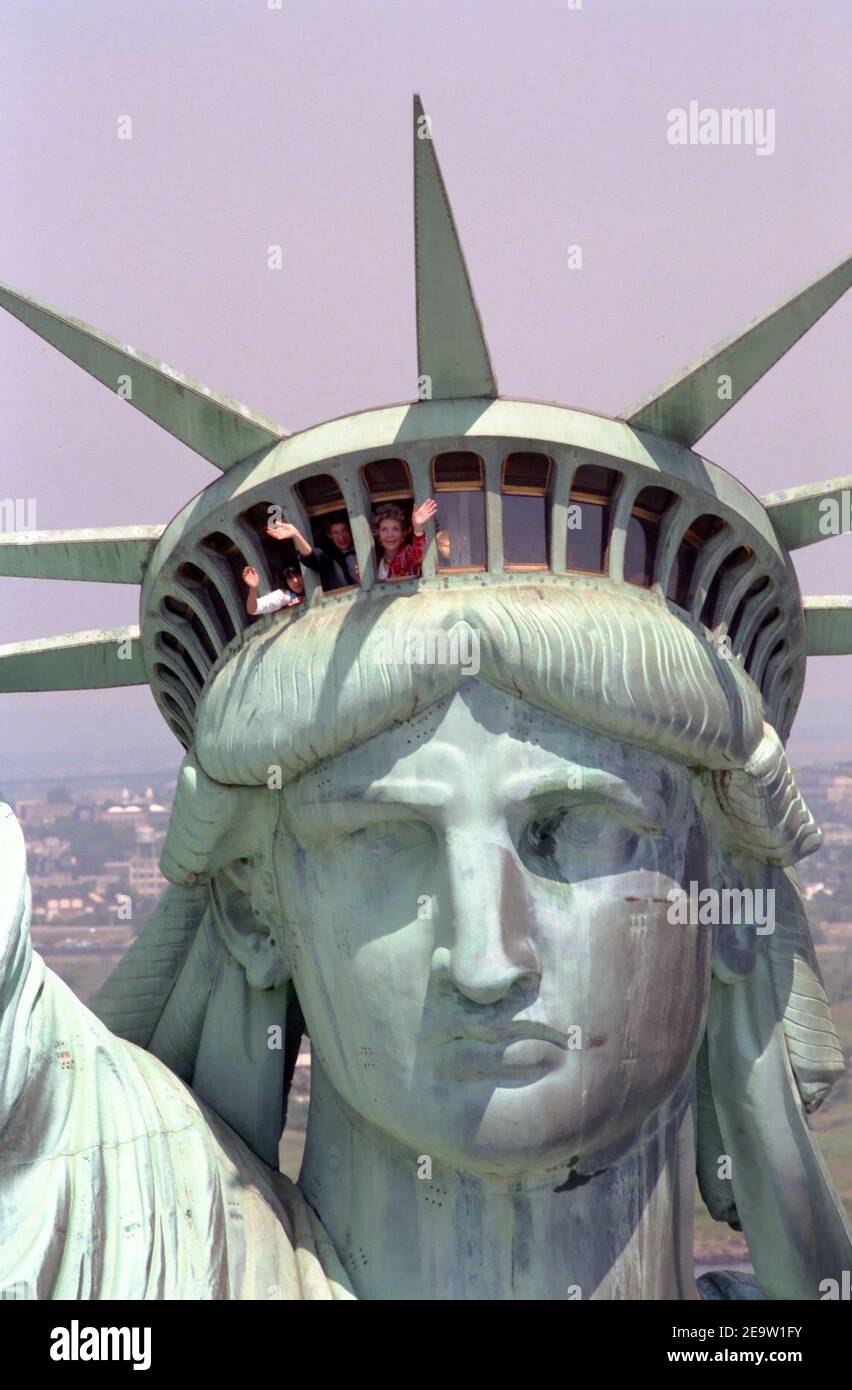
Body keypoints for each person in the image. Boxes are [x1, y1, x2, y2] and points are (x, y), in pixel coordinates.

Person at [373, 498, 437, 579]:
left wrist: (417, 527)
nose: (390, 535)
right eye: (384, 529)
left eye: (395, 529)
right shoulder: (375, 560)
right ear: (378, 534)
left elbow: (419, 552)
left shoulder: (408, 553)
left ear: (402, 533)